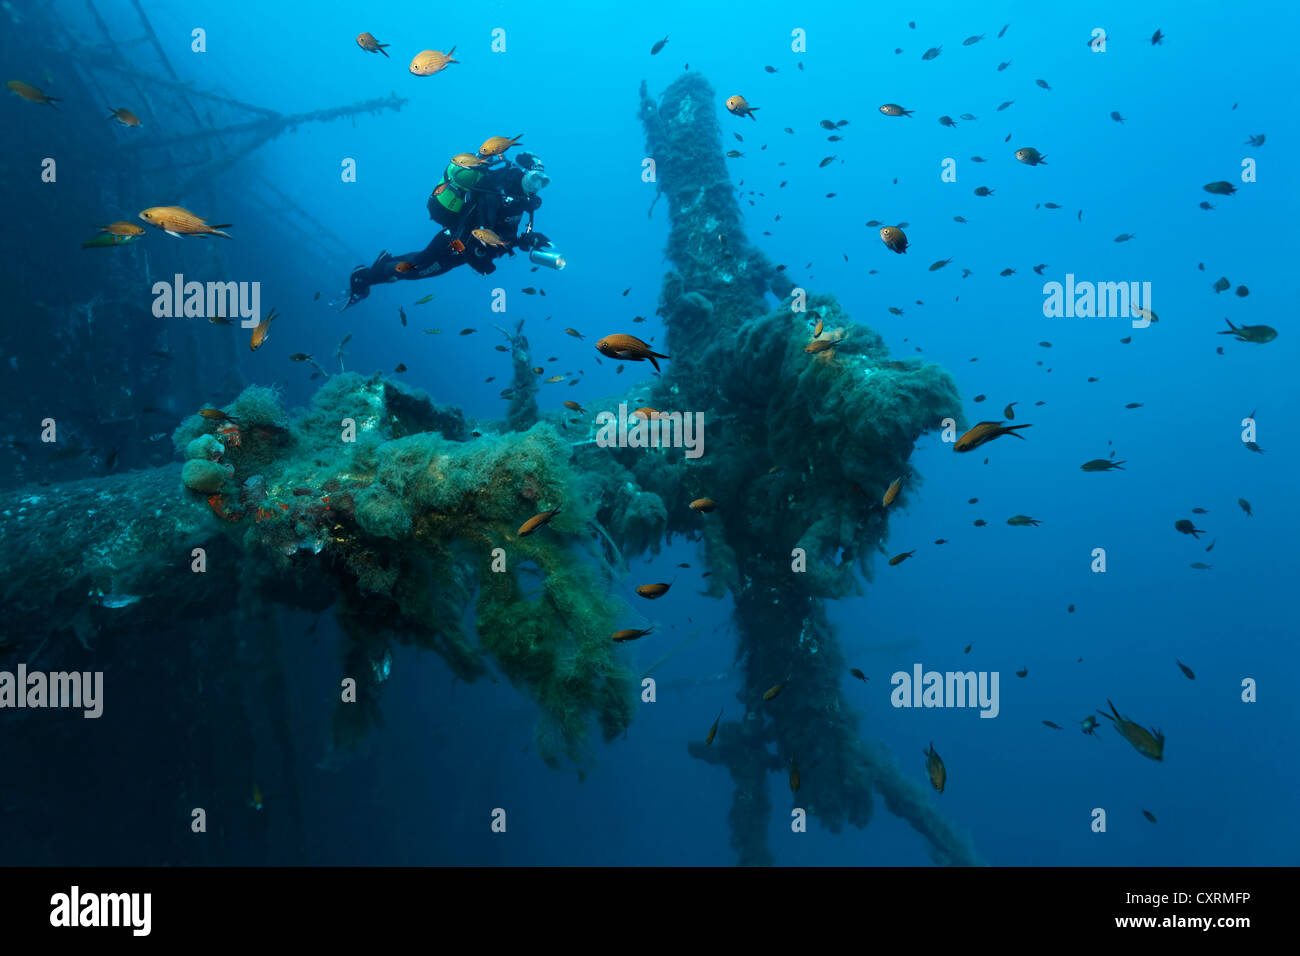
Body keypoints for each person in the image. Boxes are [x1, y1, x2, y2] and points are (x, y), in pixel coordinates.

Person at [344, 151, 554, 309]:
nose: (538, 186)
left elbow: (503, 235)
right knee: (417, 269)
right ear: (524, 174)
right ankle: (364, 277)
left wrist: (526, 240)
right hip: (454, 244)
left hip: (461, 250)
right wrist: (479, 260)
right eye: (535, 178)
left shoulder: (517, 200)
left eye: (544, 182)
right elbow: (480, 232)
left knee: (419, 263)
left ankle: (377, 269)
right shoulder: (495, 194)